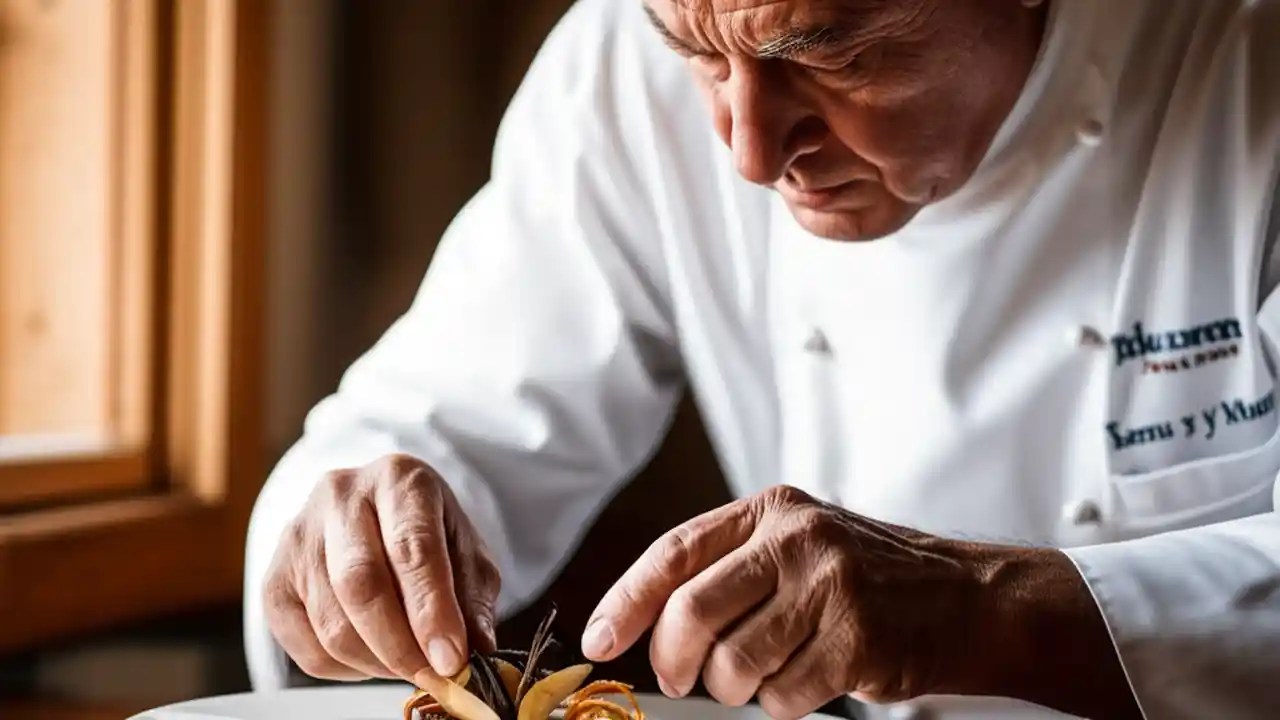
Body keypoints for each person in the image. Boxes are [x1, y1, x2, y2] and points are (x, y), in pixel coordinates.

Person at [244, 0, 1280, 717]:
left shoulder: (1248, 66)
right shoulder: (629, 51)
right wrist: (355, 535)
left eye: (830, 53)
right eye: (696, 56)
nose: (745, 151)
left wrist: (993, 613)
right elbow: (445, 413)